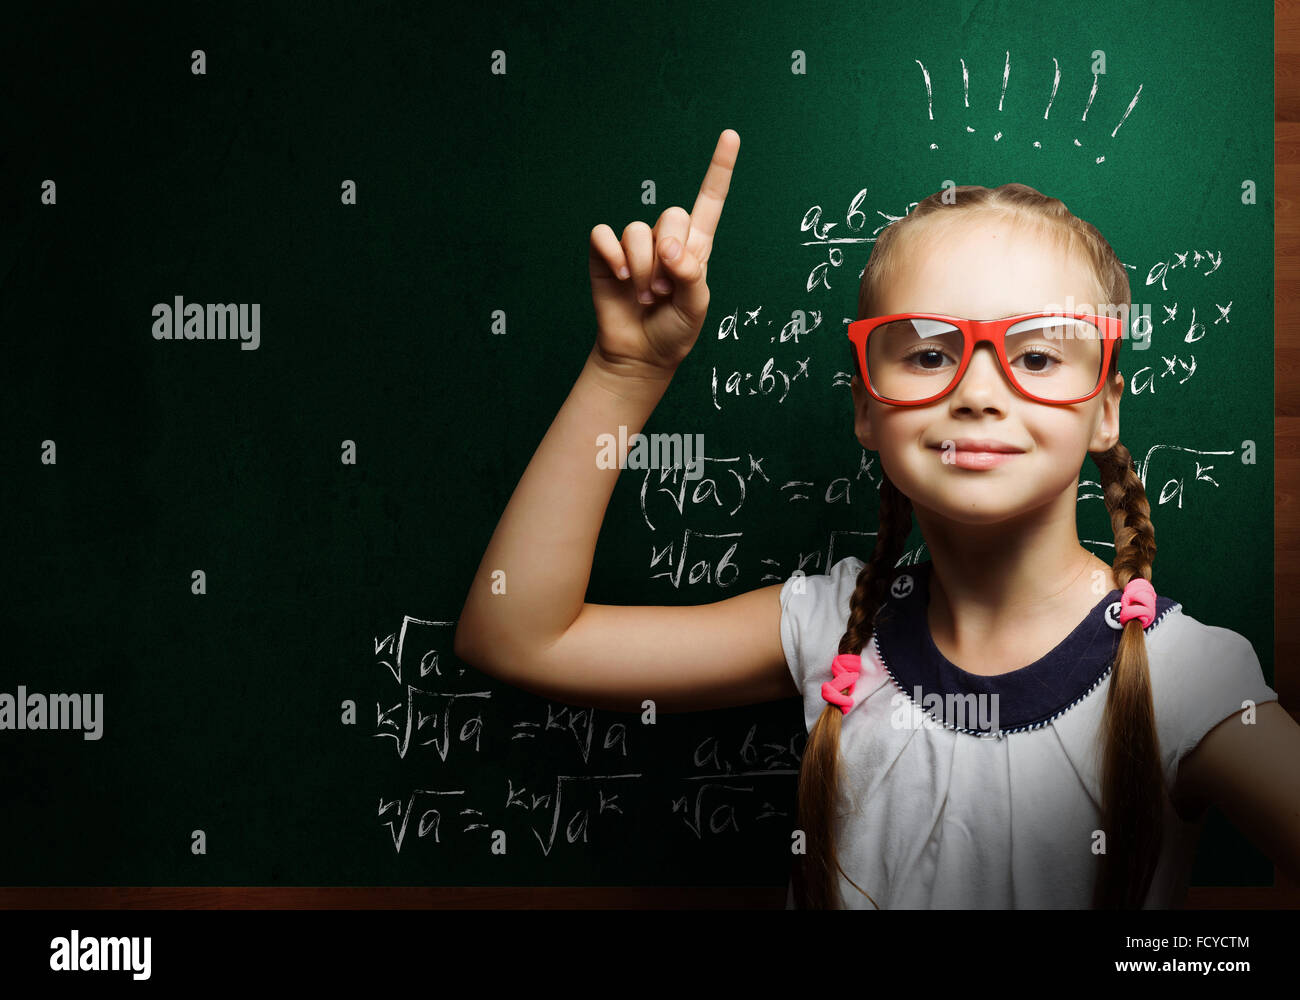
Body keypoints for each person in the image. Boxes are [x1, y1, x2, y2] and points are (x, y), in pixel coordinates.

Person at [453, 129, 1300, 908]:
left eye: (1037, 354)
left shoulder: (1188, 677)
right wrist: (624, 370)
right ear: (867, 407)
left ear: (1104, 408)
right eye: (928, 352)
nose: (976, 391)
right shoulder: (829, 629)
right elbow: (518, 636)